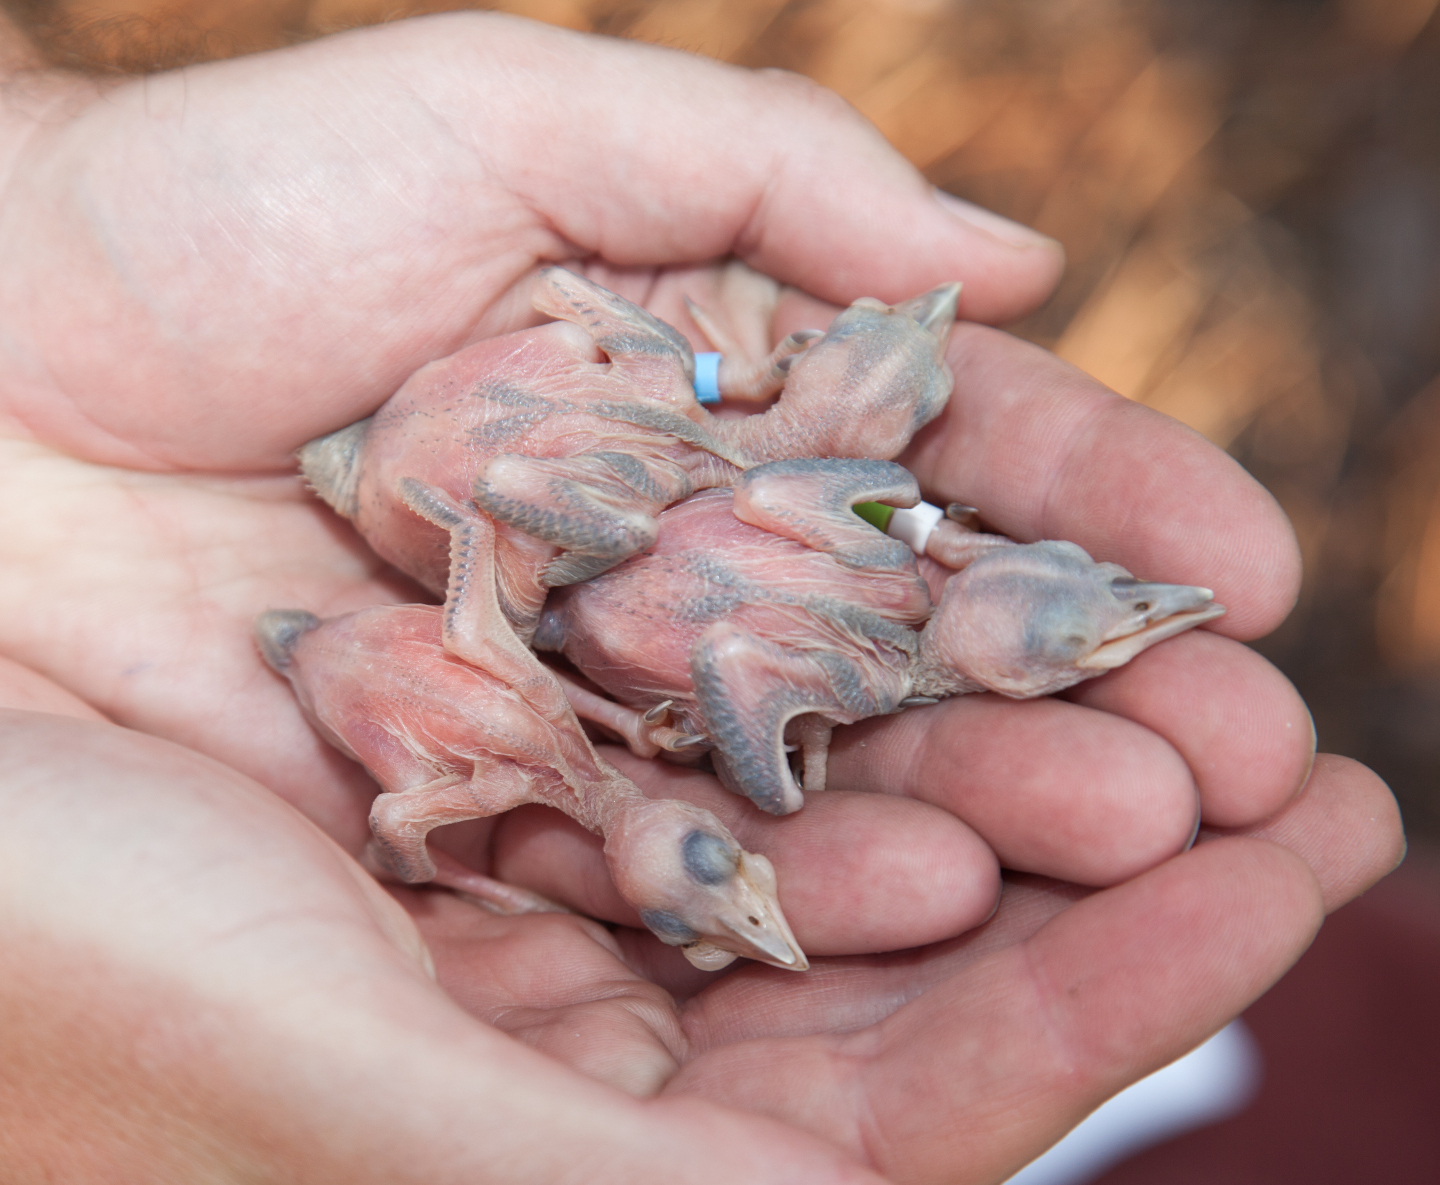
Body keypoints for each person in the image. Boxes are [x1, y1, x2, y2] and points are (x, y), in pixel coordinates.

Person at [0, 9, 1402, 1182]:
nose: (899, 347)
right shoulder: (761, 507)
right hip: (493, 562)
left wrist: (814, 523)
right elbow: (582, 612)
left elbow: (583, 585)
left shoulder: (770, 499)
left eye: (698, 881)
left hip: (534, 583)